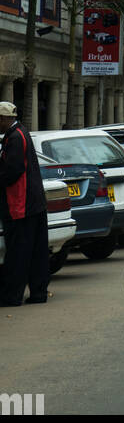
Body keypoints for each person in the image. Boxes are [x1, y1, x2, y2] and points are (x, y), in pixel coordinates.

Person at [0, 101, 49, 306]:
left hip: (20, 204)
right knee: (36, 251)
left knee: (18, 253)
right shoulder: (21, 133)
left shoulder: (15, 138)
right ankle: (38, 293)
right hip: (34, 202)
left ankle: (12, 297)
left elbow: (13, 170)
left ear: (4, 119)